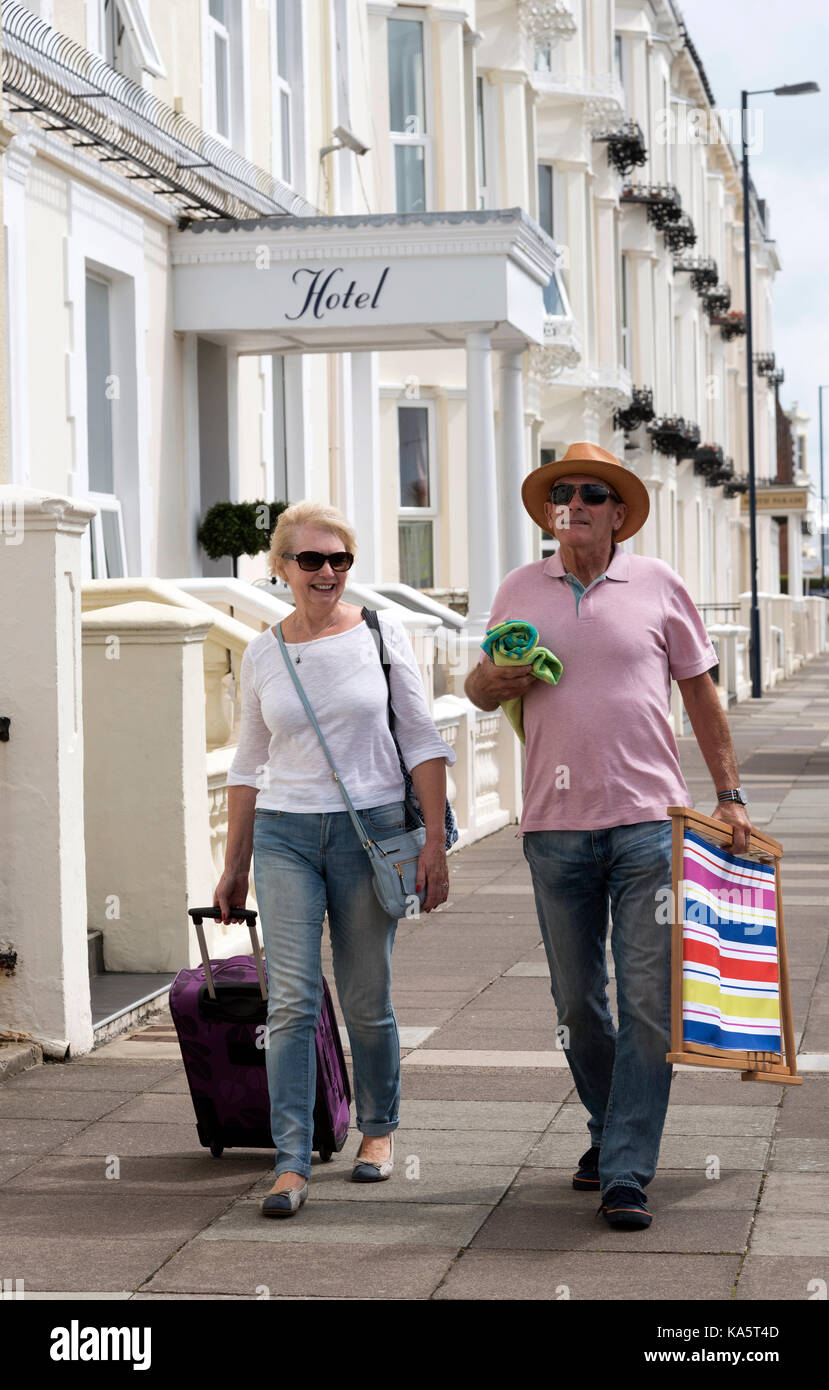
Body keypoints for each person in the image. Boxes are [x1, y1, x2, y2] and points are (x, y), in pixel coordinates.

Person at [464, 442, 755, 1230]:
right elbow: (479, 688)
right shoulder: (519, 588)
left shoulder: (658, 585)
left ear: (619, 511)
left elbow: (700, 695)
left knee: (649, 1002)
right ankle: (607, 1128)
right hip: (553, 830)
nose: (578, 502)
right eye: (565, 492)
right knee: (577, 1004)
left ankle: (625, 1170)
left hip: (645, 825)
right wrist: (495, 680)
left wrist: (727, 796)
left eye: (593, 492)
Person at [215, 500, 455, 1216]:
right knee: (291, 999)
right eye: (311, 560)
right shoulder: (262, 651)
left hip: (370, 831)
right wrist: (234, 864)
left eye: (339, 560)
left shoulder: (380, 634)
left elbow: (420, 737)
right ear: (281, 567)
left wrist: (435, 842)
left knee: (364, 995)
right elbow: (248, 764)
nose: (326, 573)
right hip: (285, 833)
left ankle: (377, 1129)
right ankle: (290, 1160)